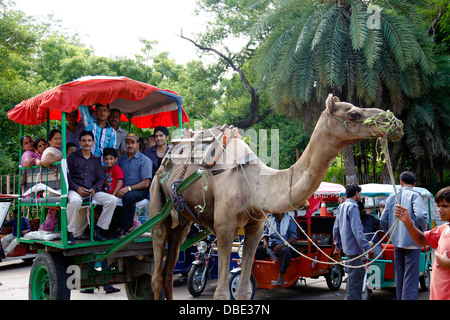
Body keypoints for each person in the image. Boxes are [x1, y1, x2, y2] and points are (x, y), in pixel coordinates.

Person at [394, 186, 450, 300]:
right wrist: (407, 221)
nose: (440, 210)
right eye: (438, 206)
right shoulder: (443, 229)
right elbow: (421, 240)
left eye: (445, 206)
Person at [380, 171, 428, 300]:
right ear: (414, 184)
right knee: (411, 278)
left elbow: (383, 220)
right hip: (413, 243)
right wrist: (423, 234)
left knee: (400, 277)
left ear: (401, 183)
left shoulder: (392, 197)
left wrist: (391, 235)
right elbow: (421, 216)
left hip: (396, 242)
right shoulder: (415, 195)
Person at [66, 131, 117, 245]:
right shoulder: (72, 157)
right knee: (75, 201)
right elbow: (67, 177)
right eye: (84, 140)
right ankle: (70, 232)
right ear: (79, 142)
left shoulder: (96, 159)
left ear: (93, 142)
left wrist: (94, 189)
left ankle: (99, 229)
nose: (86, 143)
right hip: (75, 190)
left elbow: (100, 179)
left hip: (91, 190)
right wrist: (77, 188)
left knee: (112, 200)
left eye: (89, 141)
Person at [333, 184, 373, 300]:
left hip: (347, 249)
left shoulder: (341, 206)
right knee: (355, 283)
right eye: (359, 193)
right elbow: (357, 231)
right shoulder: (353, 207)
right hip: (355, 250)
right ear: (356, 193)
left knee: (353, 279)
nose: (360, 195)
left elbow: (336, 228)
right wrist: (367, 248)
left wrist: (337, 245)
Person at [117, 133, 152, 236]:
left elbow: (146, 183)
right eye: (127, 143)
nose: (130, 145)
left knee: (128, 197)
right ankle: (114, 227)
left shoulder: (145, 160)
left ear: (138, 144)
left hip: (140, 190)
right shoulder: (122, 159)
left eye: (133, 142)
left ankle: (128, 228)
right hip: (123, 188)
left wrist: (128, 189)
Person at [255, 212, 298, 286]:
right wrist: (265, 243)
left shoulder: (290, 220)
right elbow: (265, 234)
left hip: (283, 246)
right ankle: (253, 274)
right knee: (256, 250)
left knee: (286, 251)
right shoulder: (270, 220)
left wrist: (281, 245)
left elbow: (293, 237)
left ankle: (281, 275)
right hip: (271, 246)